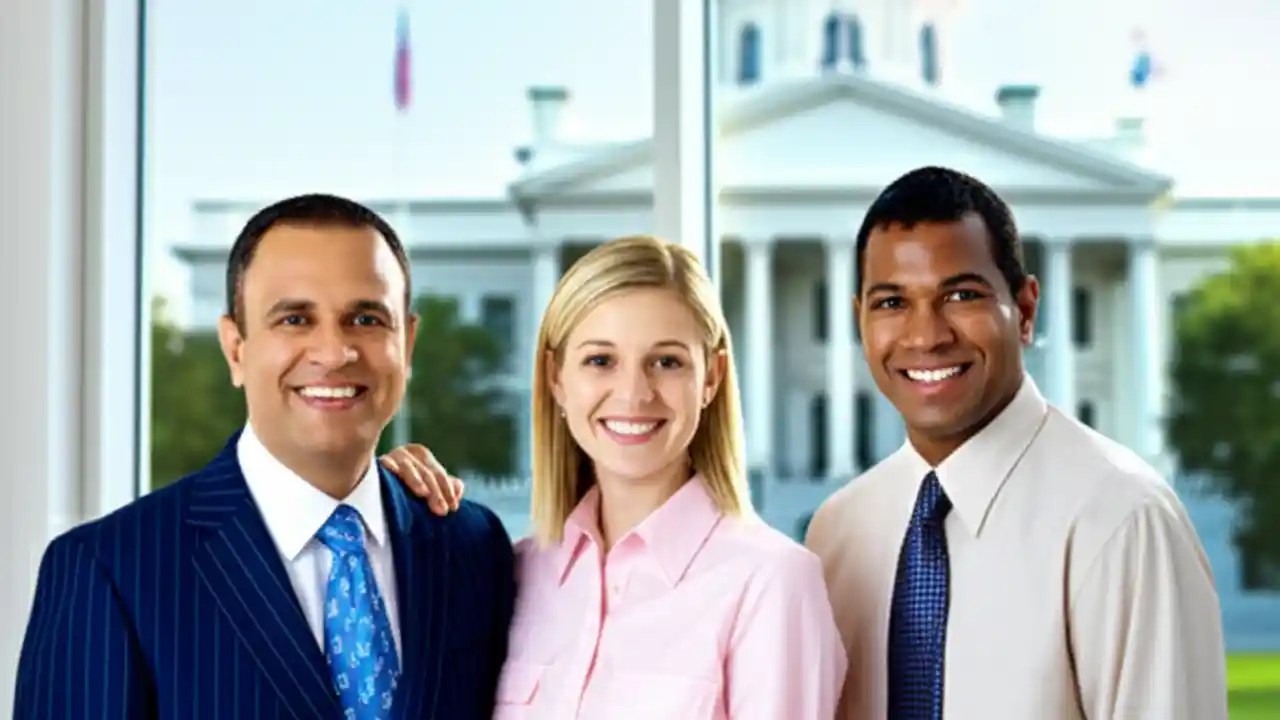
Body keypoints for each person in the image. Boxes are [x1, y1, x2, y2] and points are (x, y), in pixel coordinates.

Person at [14, 193, 515, 719]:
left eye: (366, 319)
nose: (334, 352)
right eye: (295, 320)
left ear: (406, 344)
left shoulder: (473, 548)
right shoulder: (111, 570)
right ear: (236, 348)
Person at [803, 166, 1228, 719]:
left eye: (960, 294)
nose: (925, 335)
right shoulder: (837, 532)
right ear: (860, 320)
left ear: (1024, 311)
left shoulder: (1122, 519)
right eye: (891, 303)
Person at [386, 235, 847, 718]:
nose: (634, 393)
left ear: (711, 377)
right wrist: (381, 495)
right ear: (556, 377)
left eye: (666, 362)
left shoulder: (771, 582)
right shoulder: (515, 574)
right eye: (600, 361)